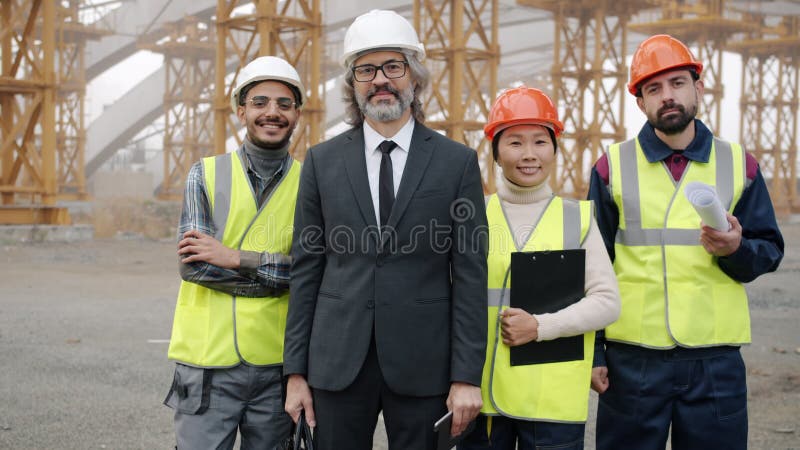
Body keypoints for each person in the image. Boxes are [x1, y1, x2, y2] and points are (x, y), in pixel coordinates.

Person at [283, 9, 488, 450]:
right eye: (366, 69)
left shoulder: (457, 164)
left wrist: (466, 376)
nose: (380, 79)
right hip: (337, 364)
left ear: (414, 77)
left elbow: (471, 276)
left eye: (393, 66)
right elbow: (306, 270)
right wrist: (295, 373)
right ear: (352, 83)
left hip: (424, 365)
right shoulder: (322, 162)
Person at [588, 34, 785, 450]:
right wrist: (596, 352)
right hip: (632, 359)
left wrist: (736, 250)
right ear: (640, 103)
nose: (667, 96)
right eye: (653, 89)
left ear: (698, 87)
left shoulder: (739, 164)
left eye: (677, 83)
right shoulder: (611, 168)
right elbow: (592, 267)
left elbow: (768, 250)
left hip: (715, 359)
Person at [457, 86, 620, 450]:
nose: (529, 155)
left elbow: (608, 302)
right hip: (482, 400)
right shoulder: (474, 215)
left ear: (554, 148)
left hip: (551, 403)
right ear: (496, 153)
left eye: (540, 142)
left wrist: (542, 327)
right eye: (515, 143)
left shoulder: (577, 218)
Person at [163, 56, 304, 450]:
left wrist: (233, 257)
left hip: (277, 366)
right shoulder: (204, 174)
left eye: (284, 104)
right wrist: (275, 275)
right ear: (241, 110)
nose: (271, 112)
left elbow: (314, 271)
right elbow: (195, 270)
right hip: (206, 364)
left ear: (297, 114)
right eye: (259, 102)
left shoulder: (311, 182)